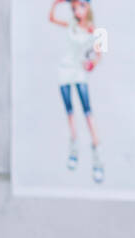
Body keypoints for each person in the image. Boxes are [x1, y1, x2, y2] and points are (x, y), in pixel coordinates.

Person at [49, 0, 104, 183]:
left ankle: (97, 153)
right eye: (73, 7)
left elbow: (99, 54)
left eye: (80, 6)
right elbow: (52, 19)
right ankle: (74, 147)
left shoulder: (94, 30)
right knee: (70, 112)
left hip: (78, 71)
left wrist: (92, 63)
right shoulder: (71, 24)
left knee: (87, 112)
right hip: (65, 69)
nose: (76, 10)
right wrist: (57, 4)